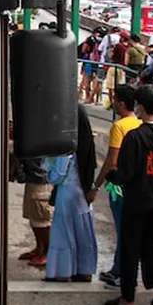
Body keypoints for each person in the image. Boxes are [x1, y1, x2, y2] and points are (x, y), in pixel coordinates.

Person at [105, 85, 153, 305]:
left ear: (140, 106)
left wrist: (112, 175)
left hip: (136, 201)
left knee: (130, 247)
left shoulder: (134, 137)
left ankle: (128, 298)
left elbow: (125, 174)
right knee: (150, 244)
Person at [43, 105, 99, 283]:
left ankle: (63, 271)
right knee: (82, 232)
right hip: (81, 192)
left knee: (63, 233)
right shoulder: (86, 143)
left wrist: (48, 173)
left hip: (66, 193)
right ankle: (84, 270)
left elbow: (57, 175)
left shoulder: (65, 146)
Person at [95, 85, 141, 287]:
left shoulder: (119, 126)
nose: (113, 103)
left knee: (123, 230)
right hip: (137, 185)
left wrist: (96, 184)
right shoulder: (140, 123)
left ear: (121, 104)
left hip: (119, 186)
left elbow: (111, 160)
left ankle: (120, 271)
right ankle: (123, 269)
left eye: (114, 100)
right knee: (131, 231)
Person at [17, 157, 53, 267]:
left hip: (41, 177)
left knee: (42, 219)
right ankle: (40, 248)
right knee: (34, 217)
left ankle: (47, 252)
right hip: (33, 176)